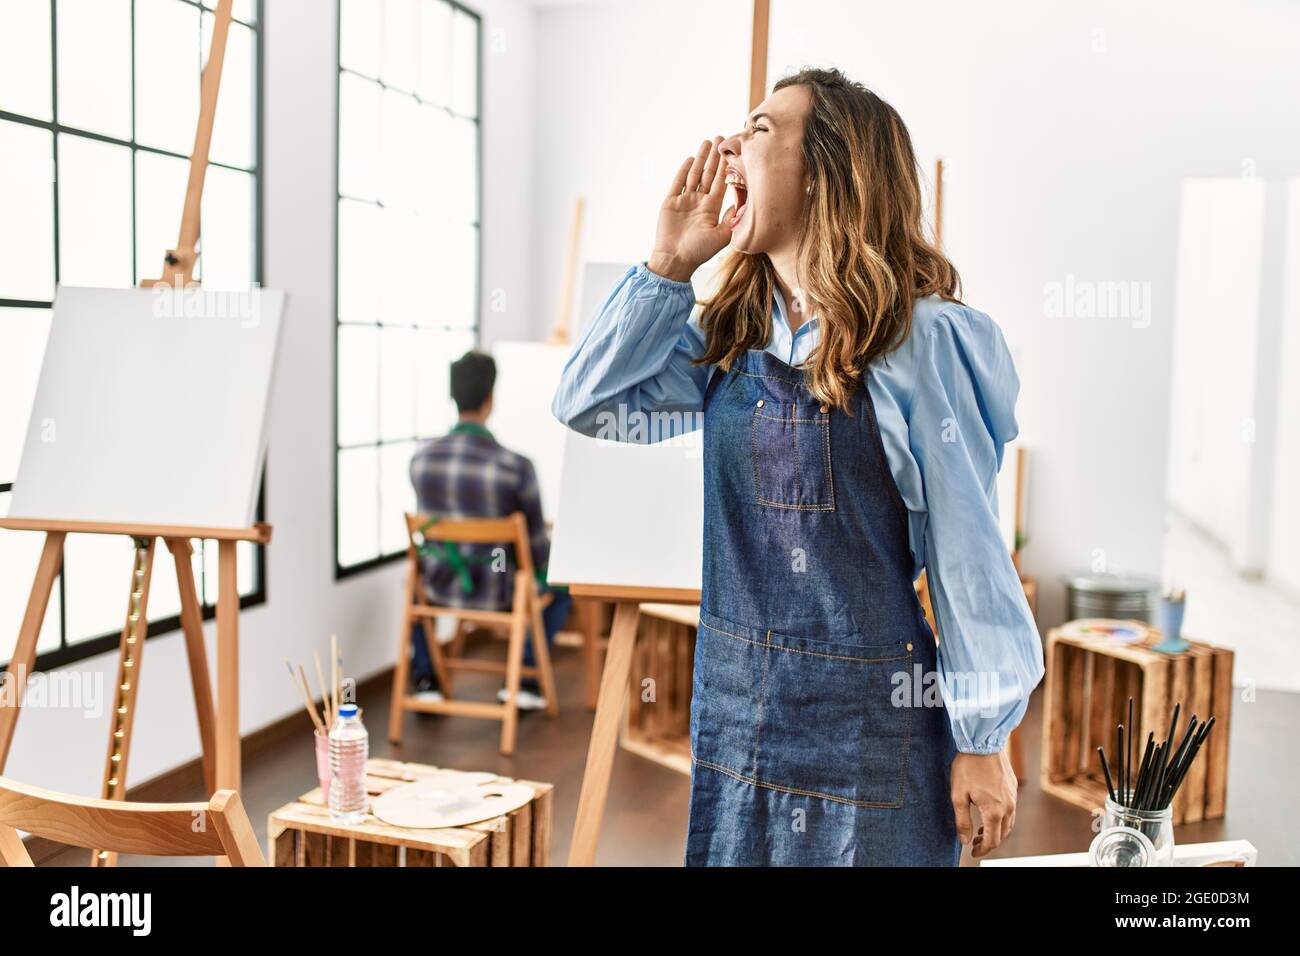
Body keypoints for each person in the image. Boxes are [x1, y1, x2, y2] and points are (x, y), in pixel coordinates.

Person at [552, 68, 1044, 865]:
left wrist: (984, 736)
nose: (726, 145)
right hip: (739, 723)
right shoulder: (728, 337)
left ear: (823, 172)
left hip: (870, 732)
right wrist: (668, 262)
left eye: (757, 128)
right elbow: (586, 400)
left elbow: (968, 551)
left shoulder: (923, 339)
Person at [409, 350, 571, 712]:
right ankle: (525, 680)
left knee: (414, 578)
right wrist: (547, 575)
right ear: (490, 399)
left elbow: (435, 530)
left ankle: (425, 680)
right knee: (561, 586)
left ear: (454, 397)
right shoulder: (515, 467)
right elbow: (535, 548)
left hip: (439, 586)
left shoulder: (421, 460)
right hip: (497, 591)